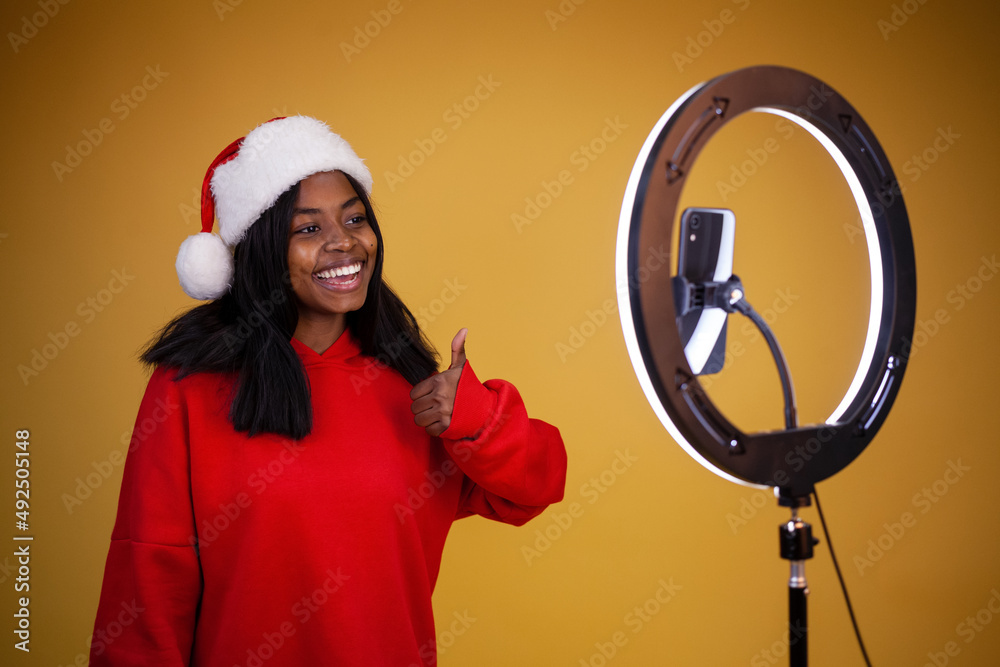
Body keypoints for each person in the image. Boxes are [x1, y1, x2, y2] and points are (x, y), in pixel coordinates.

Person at [89, 115, 567, 666]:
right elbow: (147, 584)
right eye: (308, 229)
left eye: (355, 218)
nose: (344, 242)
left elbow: (535, 488)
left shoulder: (417, 391)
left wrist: (479, 419)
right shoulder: (189, 389)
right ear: (263, 248)